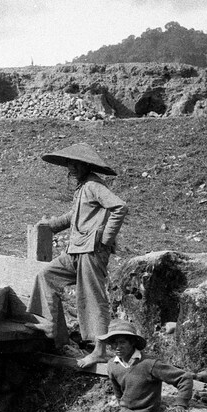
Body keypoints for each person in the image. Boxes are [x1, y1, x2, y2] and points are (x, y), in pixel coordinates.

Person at [28, 143, 128, 368]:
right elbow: (75, 215)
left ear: (85, 165)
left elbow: (119, 206)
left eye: (75, 164)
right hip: (75, 250)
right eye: (69, 164)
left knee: (92, 297)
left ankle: (100, 351)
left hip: (92, 251)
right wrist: (49, 226)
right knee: (46, 275)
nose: (71, 169)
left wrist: (105, 239)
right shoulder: (83, 187)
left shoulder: (94, 185)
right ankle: (50, 328)